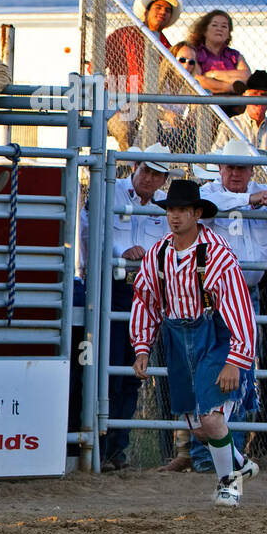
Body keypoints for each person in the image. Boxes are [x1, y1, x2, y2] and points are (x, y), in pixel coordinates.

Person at [131, 179, 258, 506]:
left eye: (182, 210)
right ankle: (239, 465)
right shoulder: (158, 255)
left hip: (215, 336)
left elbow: (238, 307)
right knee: (197, 424)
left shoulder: (217, 255)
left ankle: (229, 483)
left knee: (211, 417)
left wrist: (235, 359)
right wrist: (142, 346)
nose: (175, 217)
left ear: (197, 213)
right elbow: (146, 300)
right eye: (171, 210)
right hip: (177, 335)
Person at [188, 137, 267, 473]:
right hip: (213, 294)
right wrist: (257, 198)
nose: (236, 172)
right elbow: (215, 203)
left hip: (247, 292)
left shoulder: (262, 192)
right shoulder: (211, 192)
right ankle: (208, 456)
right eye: (230, 167)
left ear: (251, 169)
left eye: (241, 167)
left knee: (239, 372)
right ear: (220, 169)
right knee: (209, 367)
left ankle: (230, 453)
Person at [103, 146, 171, 469]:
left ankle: (117, 449)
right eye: (146, 170)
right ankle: (102, 446)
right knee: (112, 368)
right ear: (136, 167)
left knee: (131, 374)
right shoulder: (110, 190)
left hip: (145, 295)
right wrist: (121, 252)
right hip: (114, 289)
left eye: (157, 174)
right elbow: (91, 233)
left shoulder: (163, 208)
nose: (149, 178)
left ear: (163, 179)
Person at [104, 0, 182, 148]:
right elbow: (96, 66)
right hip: (120, 102)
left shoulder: (167, 47)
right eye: (158, 8)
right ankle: (130, 166)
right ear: (146, 11)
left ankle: (144, 167)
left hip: (152, 105)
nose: (163, 12)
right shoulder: (123, 36)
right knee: (124, 129)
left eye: (167, 10)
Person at [215, 71, 267, 156]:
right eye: (254, 94)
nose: (259, 99)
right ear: (244, 95)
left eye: (264, 95)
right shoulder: (229, 125)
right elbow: (217, 155)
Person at [188, 9, 250, 95]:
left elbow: (247, 77)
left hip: (235, 105)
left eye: (224, 26)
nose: (219, 29)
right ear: (204, 31)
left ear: (228, 34)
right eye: (214, 25)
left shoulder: (235, 55)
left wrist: (212, 75)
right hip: (207, 103)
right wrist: (233, 87)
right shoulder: (195, 53)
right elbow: (199, 81)